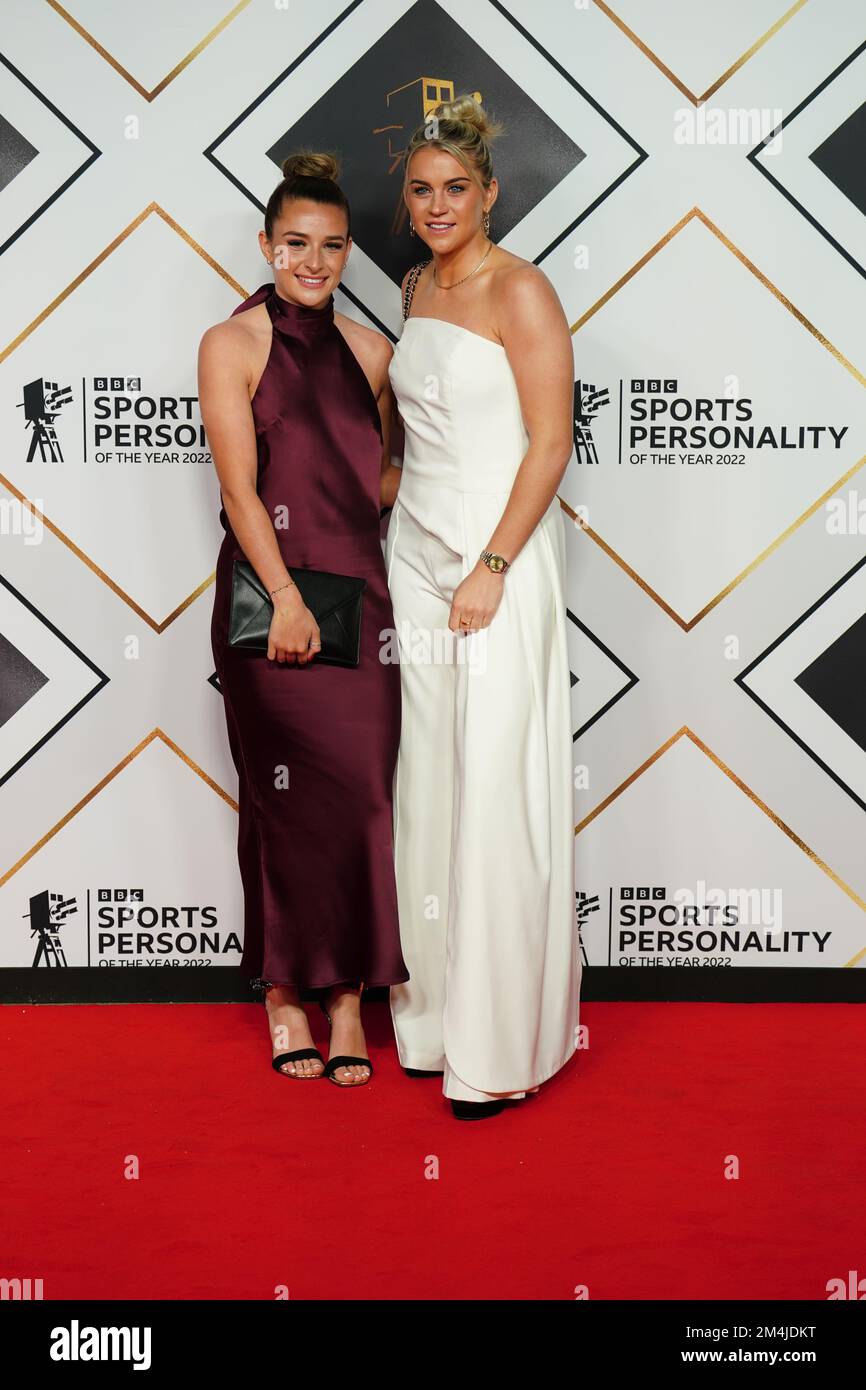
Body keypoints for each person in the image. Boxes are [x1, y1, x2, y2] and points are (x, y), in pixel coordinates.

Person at [384, 96, 582, 1118]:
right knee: (432, 781)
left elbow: (546, 440)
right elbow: (415, 433)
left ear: (490, 193)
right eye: (420, 190)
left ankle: (499, 1044)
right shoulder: (416, 284)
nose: (436, 204)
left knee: (496, 785)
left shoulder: (522, 291)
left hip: (492, 559)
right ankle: (432, 1019)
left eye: (454, 188)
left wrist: (493, 561)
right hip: (413, 553)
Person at [201, 152, 408, 1087]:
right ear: (266, 244)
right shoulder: (232, 343)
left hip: (362, 607)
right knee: (283, 803)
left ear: (347, 250)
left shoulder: (373, 353)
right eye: (295, 244)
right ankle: (286, 991)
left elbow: (386, 478)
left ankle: (348, 1000)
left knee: (363, 804)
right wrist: (285, 596)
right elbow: (241, 490)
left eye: (330, 246)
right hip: (267, 604)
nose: (313, 262)